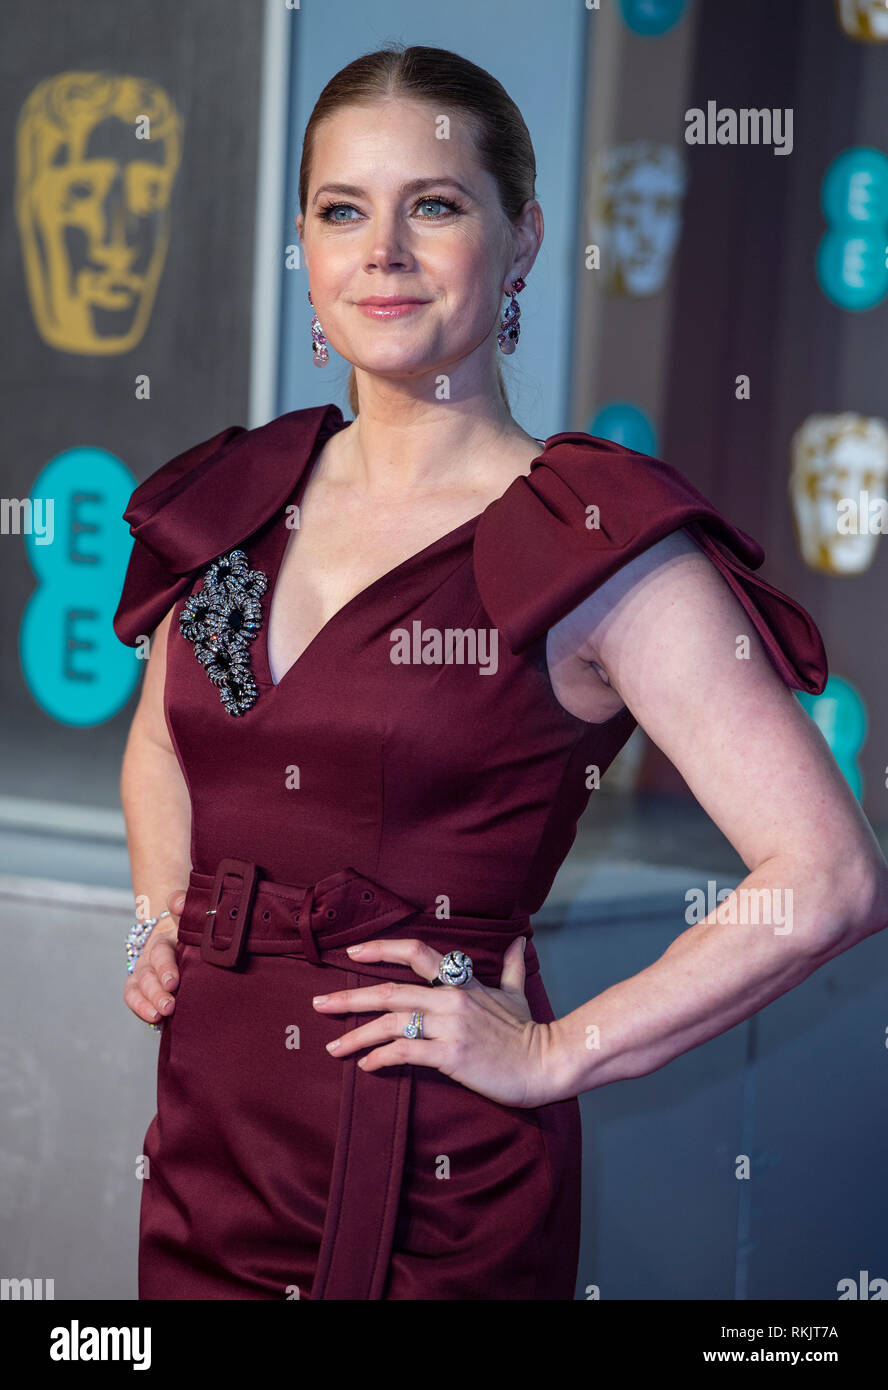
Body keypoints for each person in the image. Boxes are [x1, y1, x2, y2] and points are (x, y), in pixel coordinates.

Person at [113, 44, 888, 1301]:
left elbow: (832, 875)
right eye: (341, 210)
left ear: (522, 242)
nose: (384, 250)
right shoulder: (236, 499)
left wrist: (553, 1051)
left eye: (435, 204)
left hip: (427, 1170)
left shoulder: (588, 537)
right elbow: (164, 740)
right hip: (210, 1137)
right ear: (304, 243)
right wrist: (164, 912)